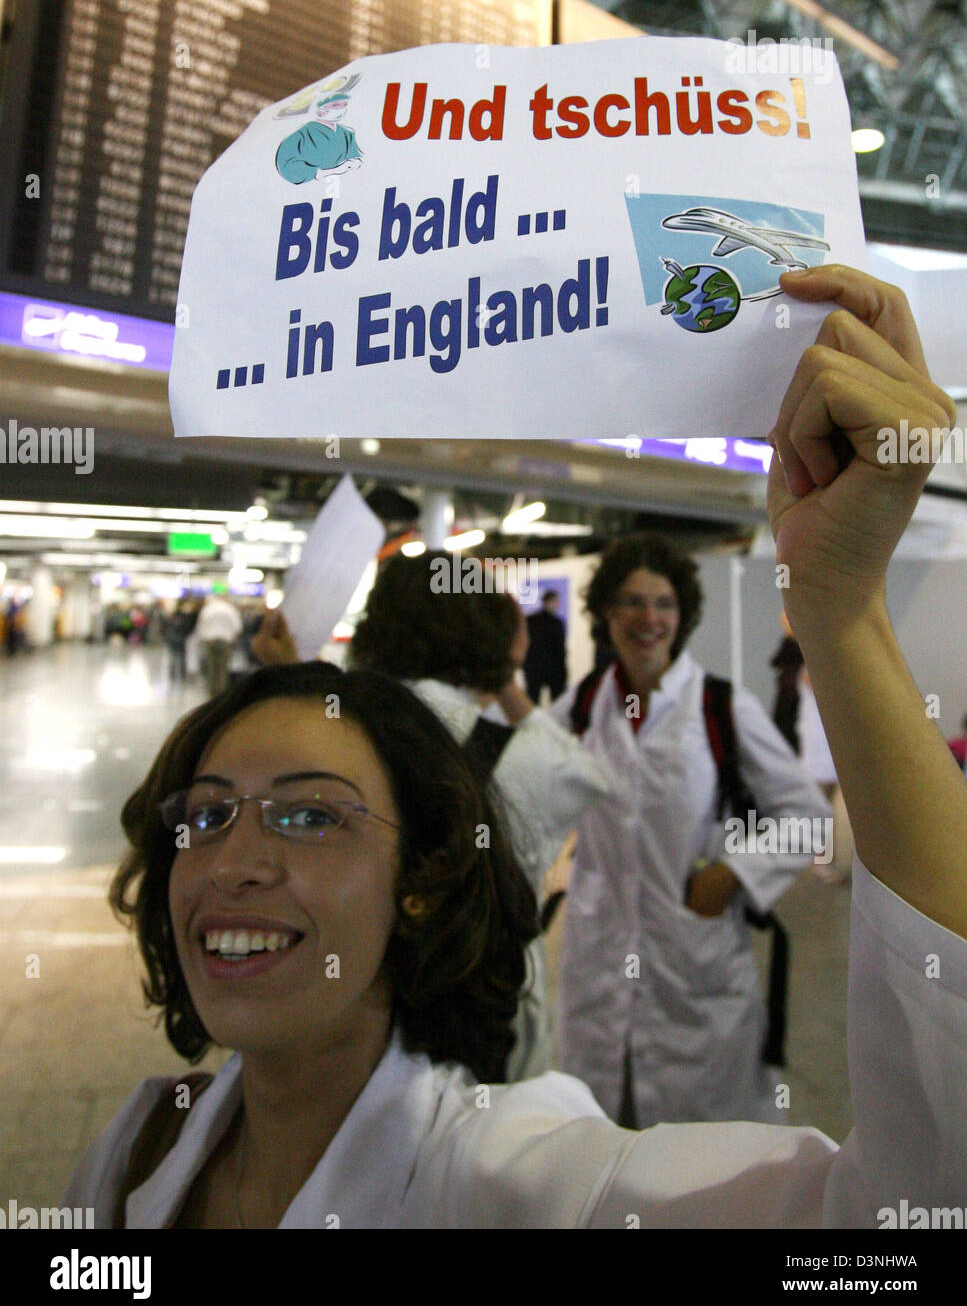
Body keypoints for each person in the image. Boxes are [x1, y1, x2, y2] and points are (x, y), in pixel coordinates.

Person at [62, 267, 967, 1228]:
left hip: (686, 993)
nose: (236, 859)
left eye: (308, 814)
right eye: (206, 814)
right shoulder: (130, 1160)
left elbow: (902, 1223)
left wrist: (840, 615)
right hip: (588, 993)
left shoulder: (508, 1184)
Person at [253, 553, 612, 1079]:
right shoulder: (517, 757)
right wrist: (505, 674)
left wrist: (285, 672)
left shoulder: (336, 729)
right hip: (482, 1032)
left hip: (346, 1012)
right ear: (486, 633)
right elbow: (587, 776)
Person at [549, 527, 831, 1128]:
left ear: (682, 614)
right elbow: (525, 805)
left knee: (703, 1160)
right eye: (632, 600)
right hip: (597, 962)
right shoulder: (577, 709)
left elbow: (808, 815)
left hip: (693, 964)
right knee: (602, 1141)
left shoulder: (720, 707)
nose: (648, 617)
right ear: (605, 612)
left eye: (664, 603)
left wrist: (733, 873)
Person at [195, 593, 243, 699]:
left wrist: (203, 640)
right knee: (223, 668)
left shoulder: (208, 609)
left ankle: (211, 693)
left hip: (210, 641)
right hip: (225, 641)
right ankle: (221, 694)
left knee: (212, 668)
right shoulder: (230, 609)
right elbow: (238, 628)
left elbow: (200, 627)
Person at [523, 590, 568, 702]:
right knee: (556, 703)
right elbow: (560, 649)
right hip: (553, 670)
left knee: (532, 702)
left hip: (534, 669)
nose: (558, 604)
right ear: (551, 601)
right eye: (557, 601)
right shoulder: (556, 623)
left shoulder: (530, 620)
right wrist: (563, 671)